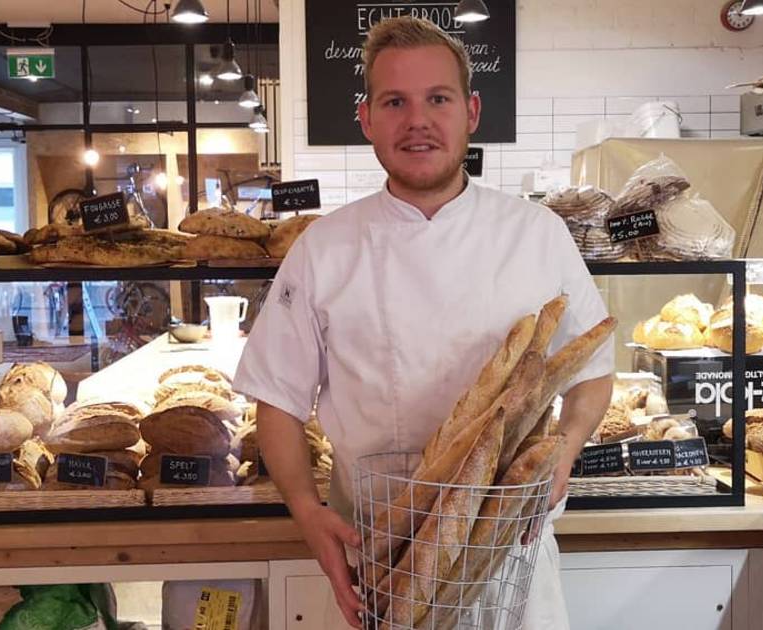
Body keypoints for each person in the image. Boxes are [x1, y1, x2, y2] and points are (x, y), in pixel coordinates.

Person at [234, 15, 613, 629]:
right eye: (395, 102)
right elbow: (276, 399)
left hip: (508, 553)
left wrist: (563, 450)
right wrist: (306, 508)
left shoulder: (536, 234)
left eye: (437, 98)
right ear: (367, 119)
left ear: (471, 110)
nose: (418, 121)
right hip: (378, 558)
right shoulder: (324, 248)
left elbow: (591, 370)